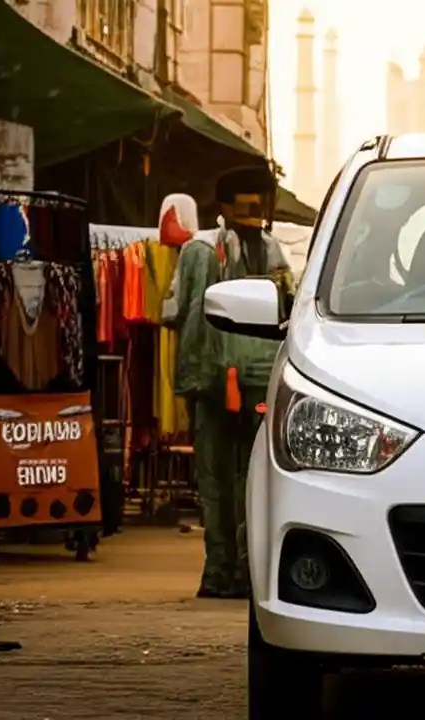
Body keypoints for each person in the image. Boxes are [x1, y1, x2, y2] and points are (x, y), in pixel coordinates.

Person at [173, 166, 290, 599]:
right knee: (242, 479)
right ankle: (235, 570)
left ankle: (224, 571)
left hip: (223, 385)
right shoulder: (233, 250)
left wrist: (194, 383)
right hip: (242, 384)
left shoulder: (202, 250)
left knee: (222, 480)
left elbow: (184, 317)